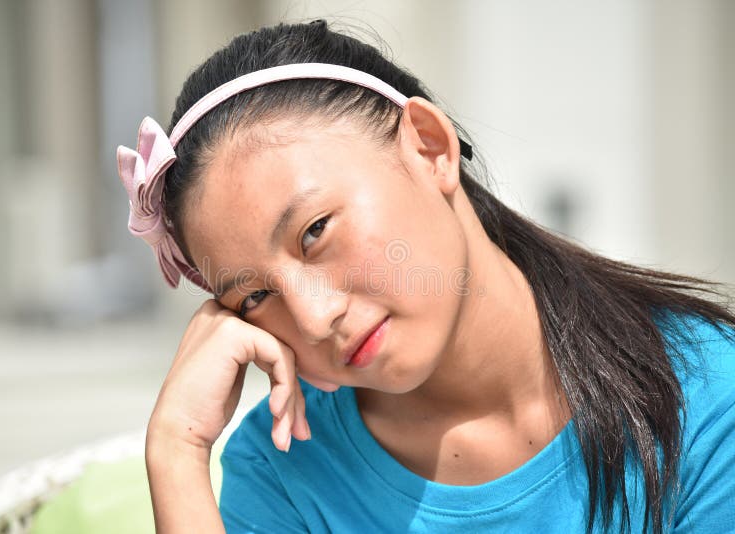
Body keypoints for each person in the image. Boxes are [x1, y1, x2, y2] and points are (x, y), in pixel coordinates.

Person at [116, 20, 735, 533]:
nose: (312, 317)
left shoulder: (707, 402)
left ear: (431, 148)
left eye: (314, 231)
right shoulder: (283, 471)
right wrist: (176, 450)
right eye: (253, 296)